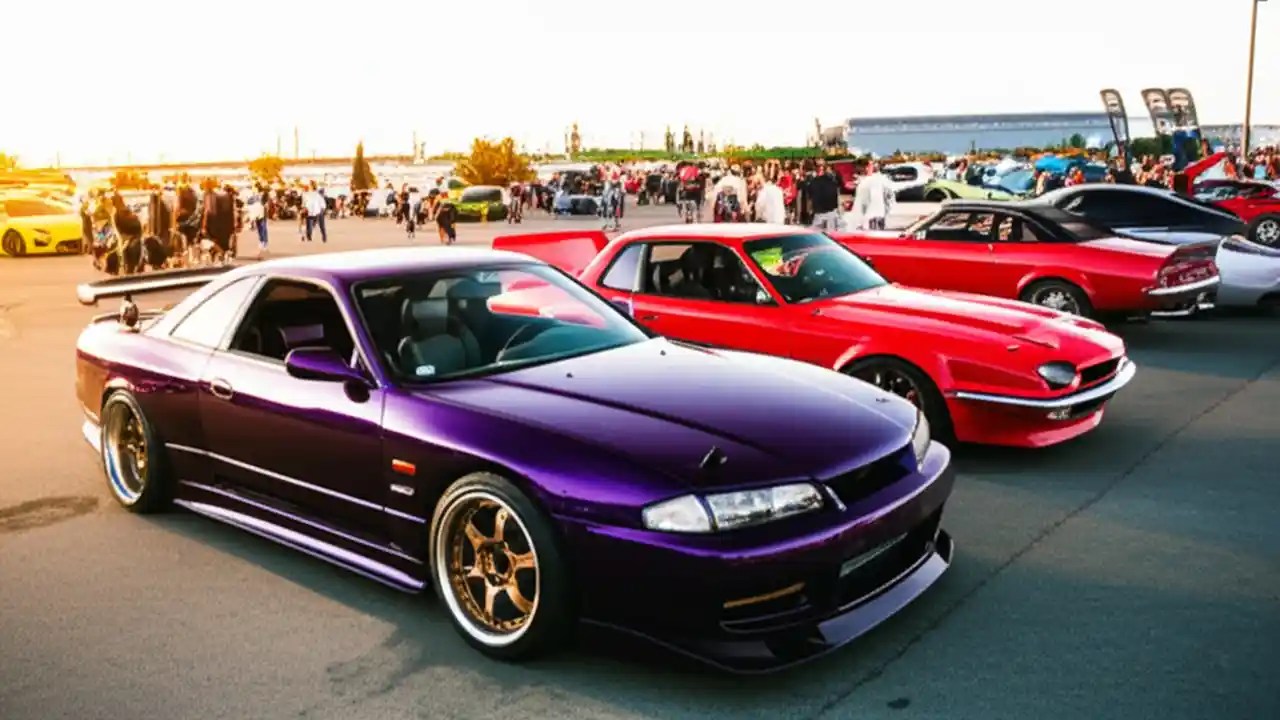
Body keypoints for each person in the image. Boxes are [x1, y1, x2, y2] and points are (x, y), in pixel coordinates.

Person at [854, 162, 894, 230]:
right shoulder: (882, 179)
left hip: (873, 211)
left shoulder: (867, 180)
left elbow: (861, 197)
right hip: (878, 211)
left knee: (872, 229)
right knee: (877, 229)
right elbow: (889, 194)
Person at [807, 159, 842, 231]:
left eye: (822, 165)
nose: (820, 168)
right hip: (818, 214)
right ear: (815, 167)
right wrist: (810, 210)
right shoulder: (812, 181)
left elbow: (838, 189)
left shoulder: (832, 178)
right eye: (818, 166)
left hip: (831, 213)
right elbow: (810, 198)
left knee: (831, 237)